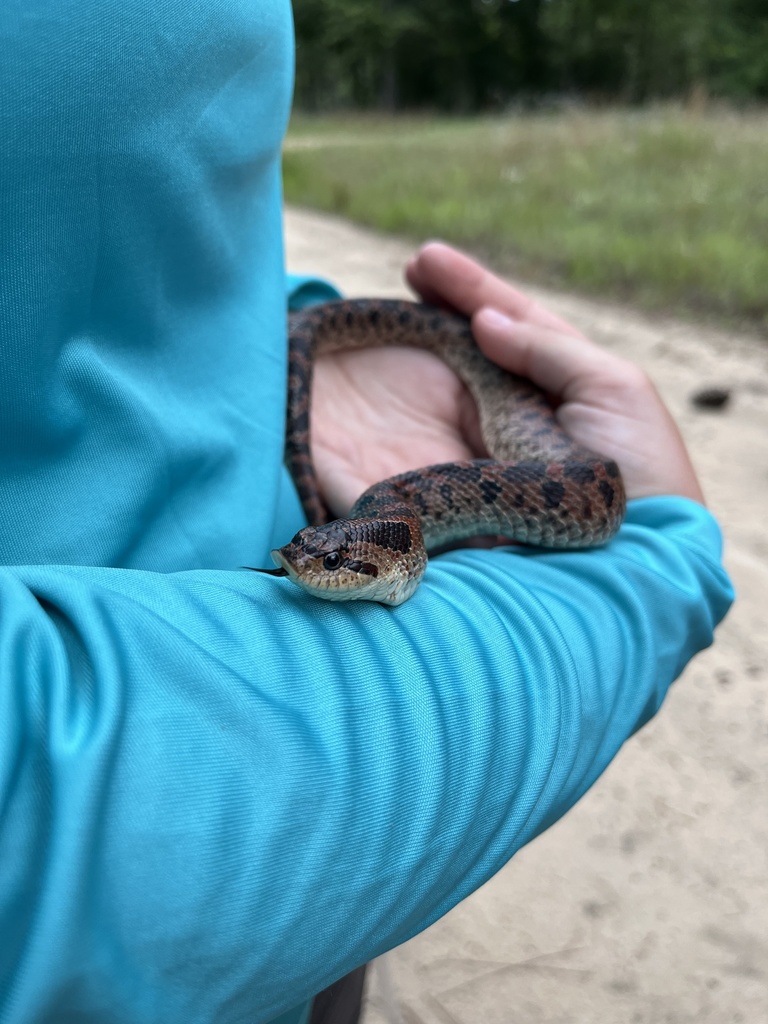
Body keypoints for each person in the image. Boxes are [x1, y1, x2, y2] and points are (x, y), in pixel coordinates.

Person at [0, 4, 732, 1024]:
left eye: (333, 561)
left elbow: (167, 219)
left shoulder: (394, 520)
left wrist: (279, 320)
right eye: (319, 558)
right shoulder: (376, 538)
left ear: (389, 556)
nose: (309, 565)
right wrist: (644, 574)